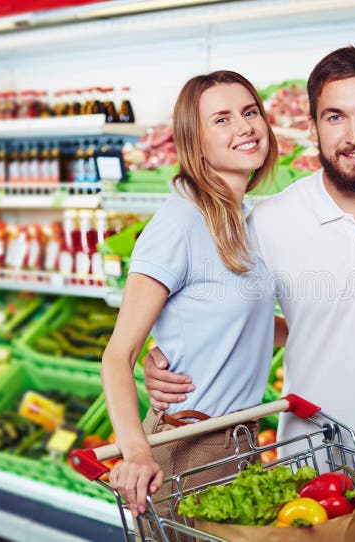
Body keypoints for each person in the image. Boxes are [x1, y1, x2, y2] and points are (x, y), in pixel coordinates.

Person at [143, 46, 355, 454]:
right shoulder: (269, 221)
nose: (354, 136)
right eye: (335, 117)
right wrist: (167, 358)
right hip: (305, 452)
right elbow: (226, 310)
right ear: (312, 128)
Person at [100, 70, 279, 517]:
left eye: (250, 112)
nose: (244, 127)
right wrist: (135, 452)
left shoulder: (243, 220)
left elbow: (247, 324)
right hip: (189, 448)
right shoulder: (179, 224)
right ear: (195, 142)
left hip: (239, 440)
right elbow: (118, 354)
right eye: (222, 119)